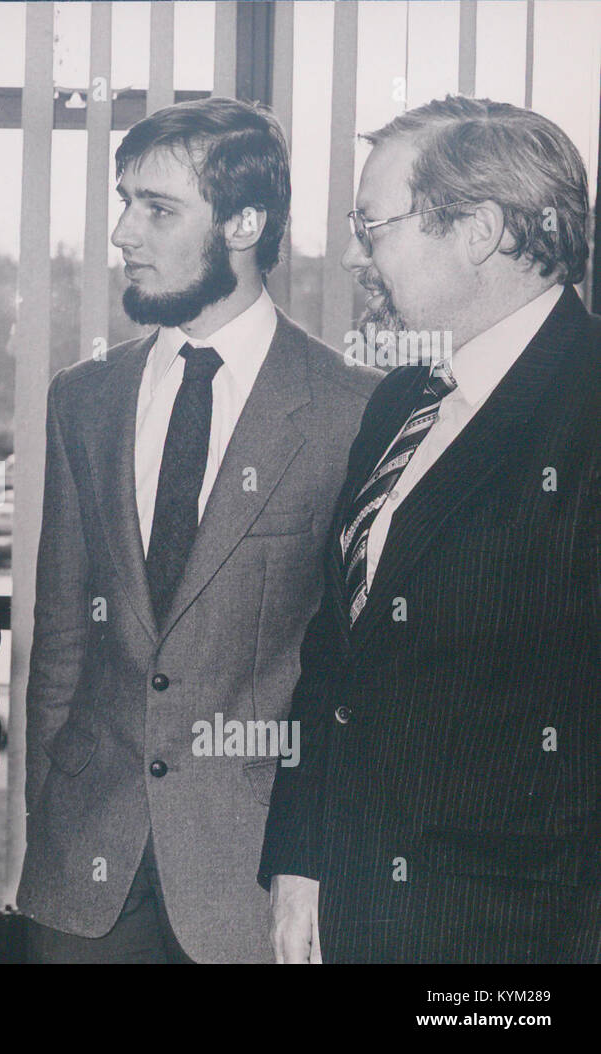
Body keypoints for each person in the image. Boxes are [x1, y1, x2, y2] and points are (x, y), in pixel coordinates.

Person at [16, 97, 382, 962]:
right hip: (84, 879)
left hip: (257, 887)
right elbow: (63, 638)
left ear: (244, 222)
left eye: (157, 209)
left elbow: (359, 680)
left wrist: (326, 864)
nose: (122, 234)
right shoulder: (84, 398)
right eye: (123, 202)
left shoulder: (354, 411)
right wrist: (49, 821)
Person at [261, 95, 601, 964]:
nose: (348, 254)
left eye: (372, 224)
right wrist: (302, 860)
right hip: (361, 912)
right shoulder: (400, 404)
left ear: (479, 229)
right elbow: (338, 647)